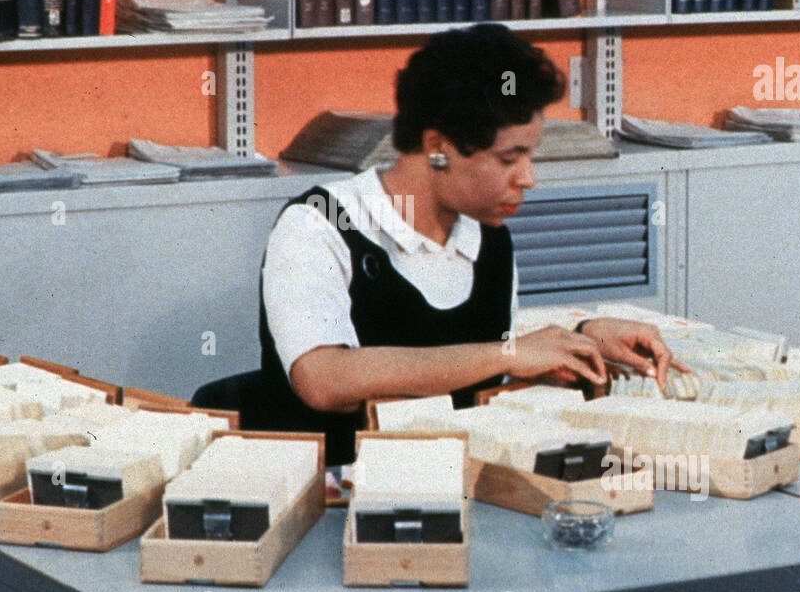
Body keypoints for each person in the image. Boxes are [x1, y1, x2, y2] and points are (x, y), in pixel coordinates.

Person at [258, 24, 683, 464]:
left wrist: (579, 344)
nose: (528, 178)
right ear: (438, 148)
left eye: (528, 157)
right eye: (508, 158)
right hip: (336, 503)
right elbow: (324, 380)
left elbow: (482, 378)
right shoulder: (317, 224)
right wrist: (510, 353)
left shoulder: (489, 240)